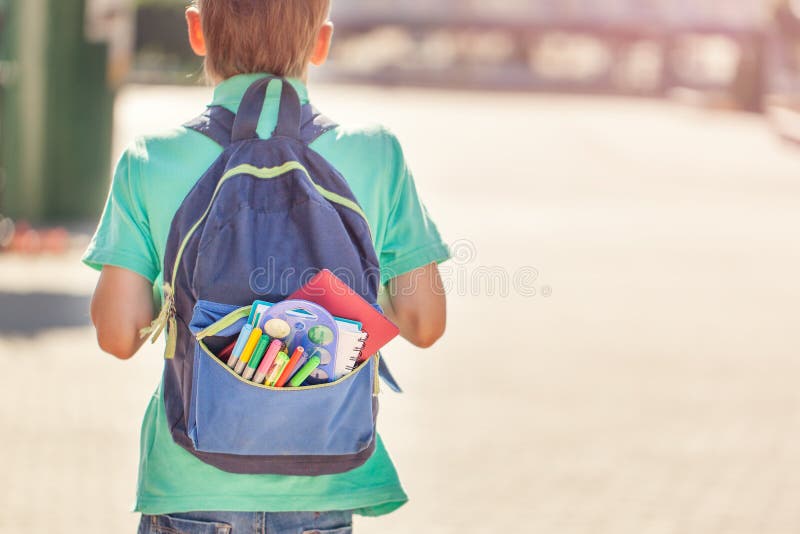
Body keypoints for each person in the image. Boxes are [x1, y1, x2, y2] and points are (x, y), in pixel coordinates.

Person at [83, 1, 449, 532]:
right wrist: (339, 310)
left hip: (190, 483)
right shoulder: (376, 154)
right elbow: (425, 323)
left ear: (197, 30)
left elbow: (117, 336)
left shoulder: (151, 159)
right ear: (321, 42)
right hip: (323, 488)